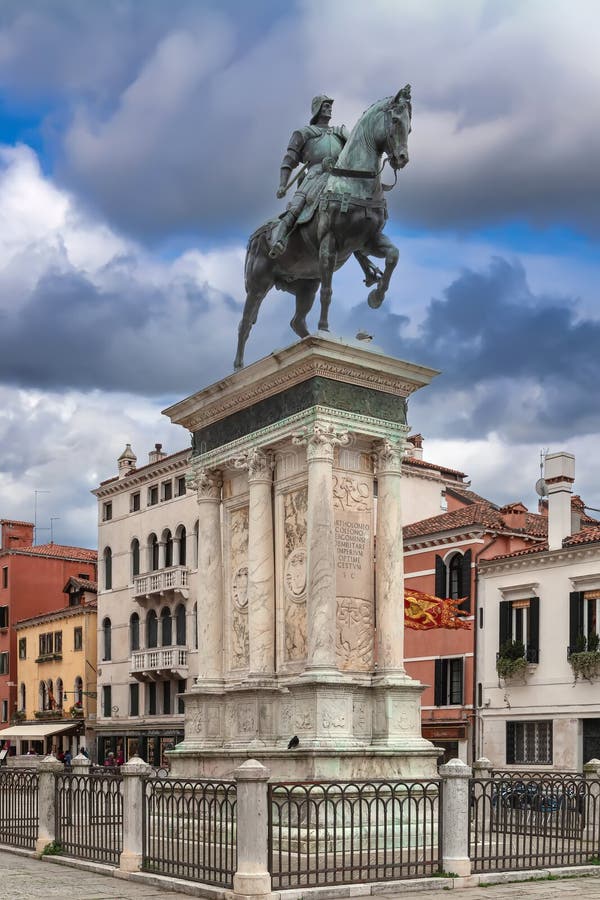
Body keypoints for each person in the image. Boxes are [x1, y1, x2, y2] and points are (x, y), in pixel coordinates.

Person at [269, 95, 348, 258]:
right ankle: (280, 238)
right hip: (315, 174)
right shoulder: (304, 133)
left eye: (330, 106)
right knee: (296, 207)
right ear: (318, 108)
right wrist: (282, 184)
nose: (329, 108)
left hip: (339, 173)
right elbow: (289, 160)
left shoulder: (339, 132)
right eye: (325, 105)